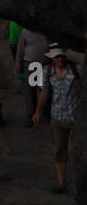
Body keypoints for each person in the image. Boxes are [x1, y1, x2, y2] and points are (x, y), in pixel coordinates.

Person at [33, 45, 79, 194]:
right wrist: (38, 111)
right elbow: (44, 93)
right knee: (60, 150)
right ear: (52, 58)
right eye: (57, 57)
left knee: (77, 152)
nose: (60, 59)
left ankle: (77, 183)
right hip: (58, 117)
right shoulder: (47, 72)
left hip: (76, 118)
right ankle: (62, 183)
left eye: (61, 56)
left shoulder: (77, 69)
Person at [16, 27, 50, 126]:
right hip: (31, 64)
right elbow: (20, 49)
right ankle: (31, 116)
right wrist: (18, 64)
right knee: (30, 91)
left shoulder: (48, 30)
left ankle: (46, 114)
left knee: (45, 90)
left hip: (47, 64)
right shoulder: (25, 31)